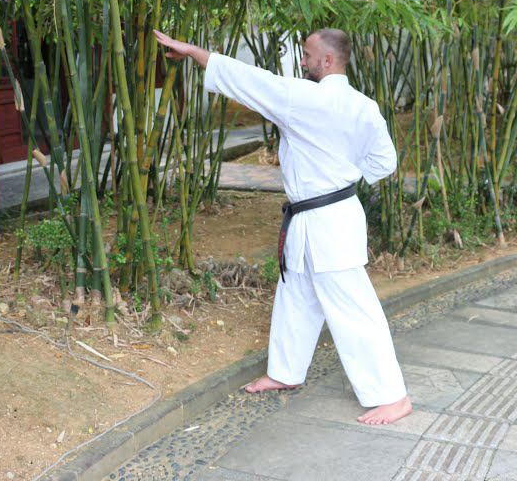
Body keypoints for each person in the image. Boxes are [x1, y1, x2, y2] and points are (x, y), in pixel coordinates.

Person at [153, 27, 413, 426]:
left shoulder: (303, 99)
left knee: (353, 308)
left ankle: (391, 397)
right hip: (326, 213)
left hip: (328, 220)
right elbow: (385, 164)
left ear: (328, 61)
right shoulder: (366, 106)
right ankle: (285, 371)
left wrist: (191, 51)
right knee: (297, 295)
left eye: (307, 55)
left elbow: (249, 81)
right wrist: (341, 177)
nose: (303, 62)